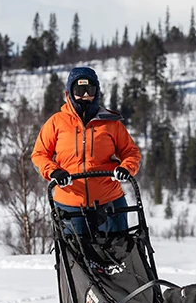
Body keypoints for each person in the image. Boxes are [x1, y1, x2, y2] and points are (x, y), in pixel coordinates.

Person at [31, 67, 141, 236]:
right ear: (69, 93)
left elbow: (131, 152)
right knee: (76, 255)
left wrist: (126, 168)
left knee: (119, 252)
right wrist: (54, 172)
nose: (84, 95)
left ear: (96, 92)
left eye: (89, 90)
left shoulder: (110, 123)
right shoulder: (56, 122)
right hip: (70, 201)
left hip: (109, 199)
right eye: (79, 90)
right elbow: (39, 154)